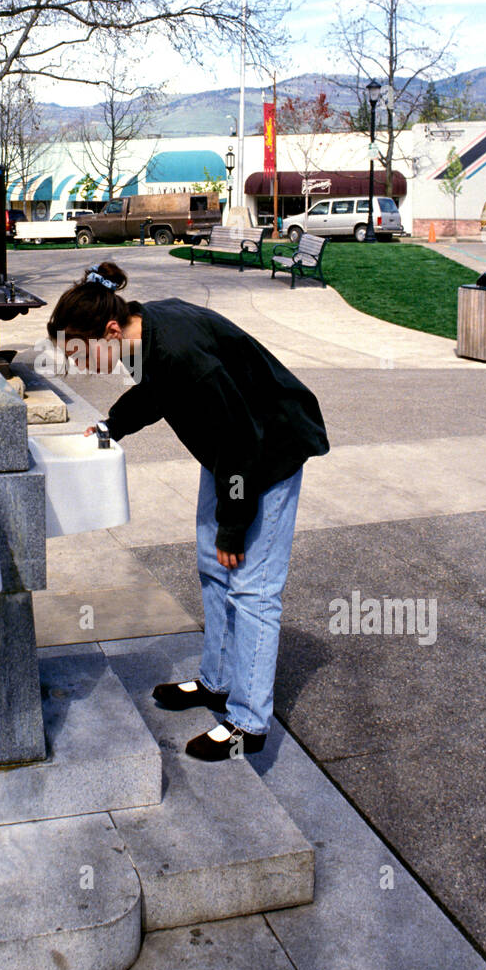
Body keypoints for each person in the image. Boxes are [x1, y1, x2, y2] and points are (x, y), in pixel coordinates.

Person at [46, 260, 330, 761]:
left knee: (252, 588)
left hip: (268, 449)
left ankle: (248, 722)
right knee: (211, 568)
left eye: (78, 352)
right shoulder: (143, 332)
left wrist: (234, 528)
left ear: (109, 331)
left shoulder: (181, 353)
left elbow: (244, 443)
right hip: (231, 453)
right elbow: (157, 392)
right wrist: (114, 424)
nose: (77, 364)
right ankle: (218, 682)